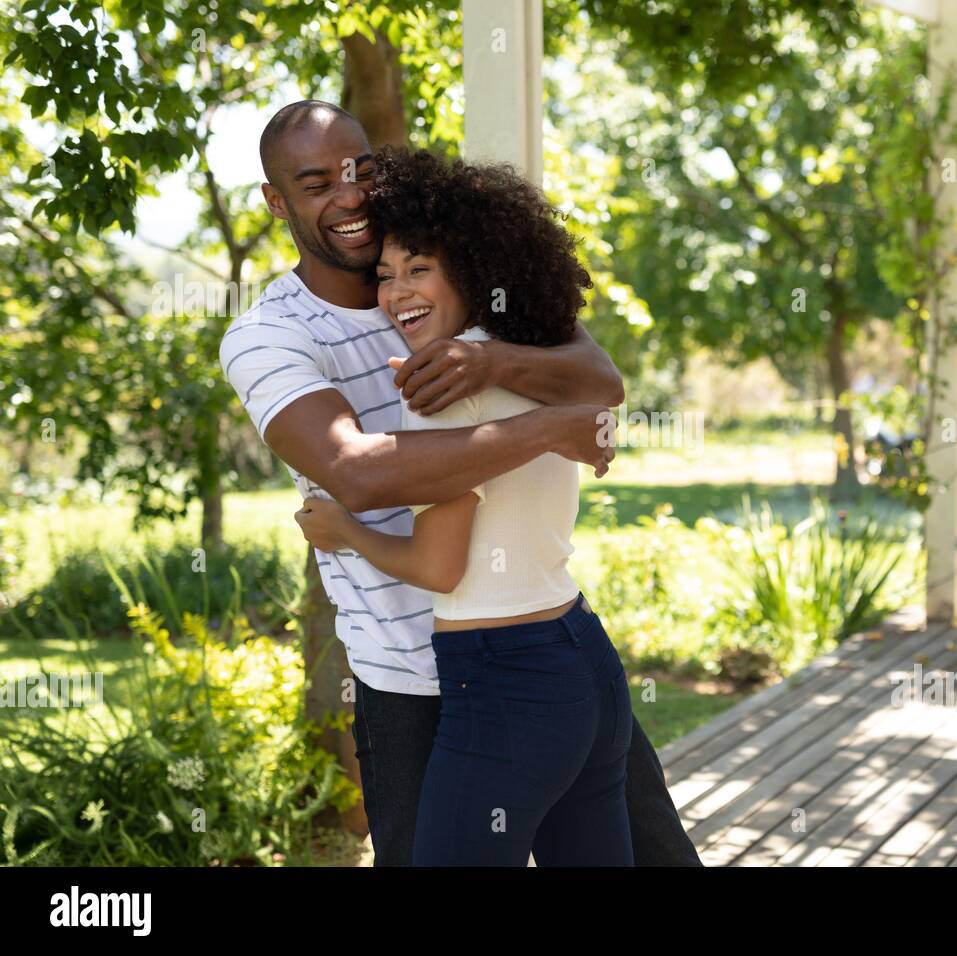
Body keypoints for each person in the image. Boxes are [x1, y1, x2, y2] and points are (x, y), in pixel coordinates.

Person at [219, 100, 702, 866]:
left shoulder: (472, 278)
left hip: (531, 646)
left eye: (360, 172)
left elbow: (599, 381)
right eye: (315, 184)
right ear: (276, 203)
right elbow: (353, 469)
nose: (347, 197)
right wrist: (547, 427)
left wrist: (493, 364)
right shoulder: (270, 336)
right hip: (412, 685)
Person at [296, 147, 637, 864]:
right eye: (385, 275)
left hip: (506, 679)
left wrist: (346, 532)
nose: (396, 293)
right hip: (584, 661)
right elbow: (605, 386)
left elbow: (439, 566)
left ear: (474, 272)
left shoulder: (445, 384)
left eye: (419, 269)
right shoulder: (539, 361)